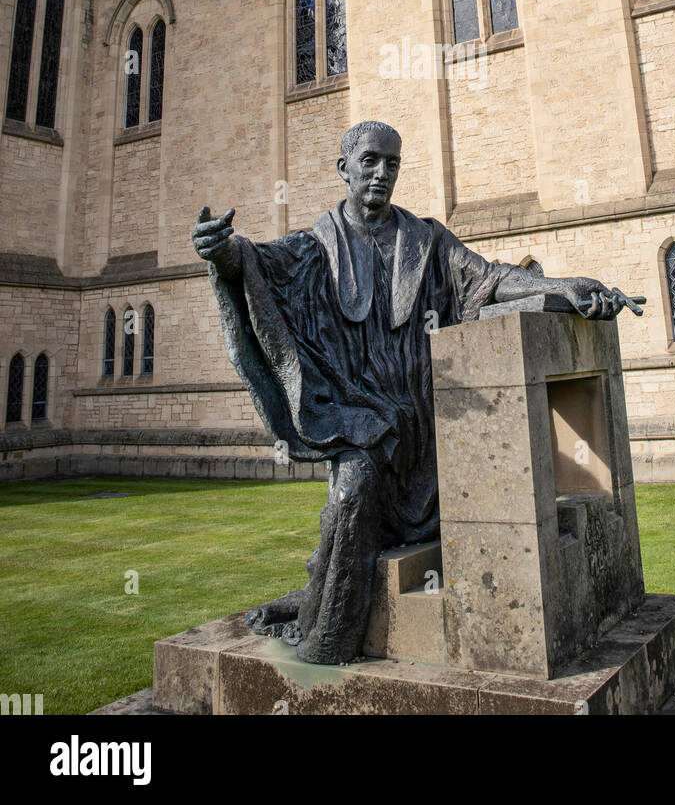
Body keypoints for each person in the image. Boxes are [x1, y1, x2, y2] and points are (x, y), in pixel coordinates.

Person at [191, 121, 644, 664]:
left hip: (426, 430)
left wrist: (559, 286)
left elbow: (489, 278)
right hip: (362, 421)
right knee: (353, 487)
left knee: (360, 524)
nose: (382, 172)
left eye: (392, 163)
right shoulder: (316, 247)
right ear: (344, 168)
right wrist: (224, 254)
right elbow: (260, 266)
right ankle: (327, 639)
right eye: (370, 161)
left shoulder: (425, 240)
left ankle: (316, 596)